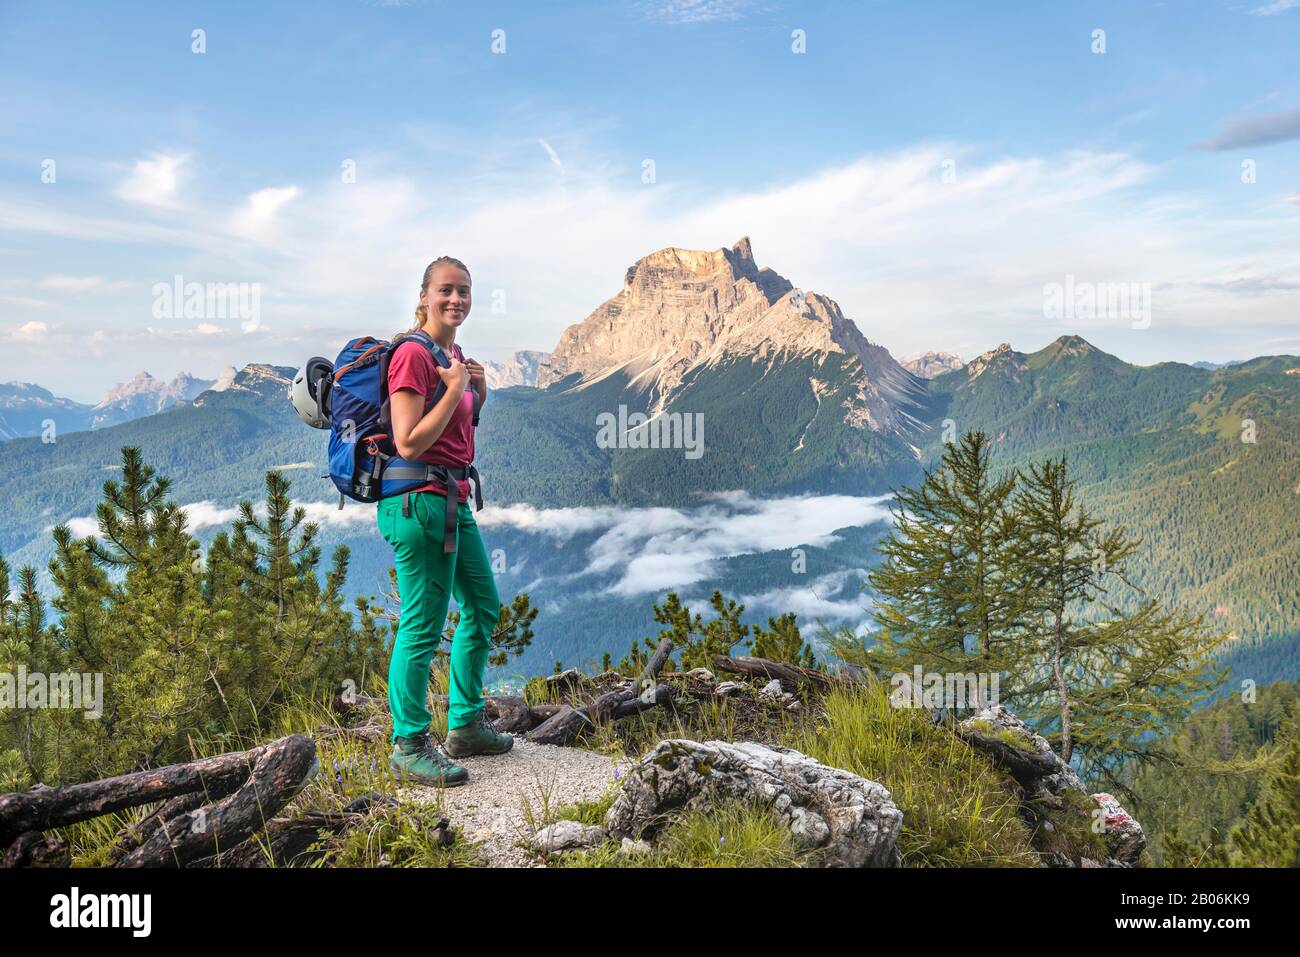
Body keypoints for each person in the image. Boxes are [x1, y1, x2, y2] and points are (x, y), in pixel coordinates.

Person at [381, 256, 512, 787]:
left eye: (464, 291)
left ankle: (464, 724)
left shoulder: (451, 356)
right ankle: (409, 743)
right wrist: (458, 389)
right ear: (424, 295)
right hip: (418, 501)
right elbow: (408, 439)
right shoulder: (413, 355)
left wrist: (477, 393)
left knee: (483, 605)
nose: (456, 300)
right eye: (446, 291)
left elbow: (456, 434)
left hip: (452, 498)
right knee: (422, 623)